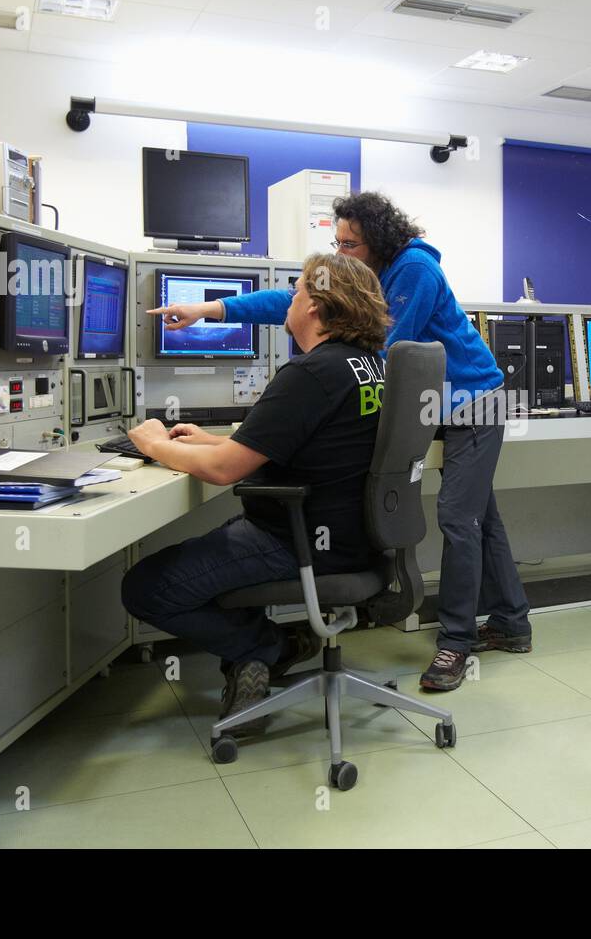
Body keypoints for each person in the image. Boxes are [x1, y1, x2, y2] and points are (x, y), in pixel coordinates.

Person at [151, 192, 532, 691]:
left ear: (378, 239)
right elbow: (294, 302)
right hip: (435, 404)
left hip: (476, 401)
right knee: (482, 519)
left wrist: (322, 384)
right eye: (338, 242)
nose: (342, 252)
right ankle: (512, 623)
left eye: (350, 244)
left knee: (462, 519)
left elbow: (382, 345)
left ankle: (455, 644)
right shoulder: (365, 274)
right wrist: (210, 308)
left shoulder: (414, 268)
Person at [122, 252, 390, 728]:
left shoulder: (310, 373)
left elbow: (225, 472)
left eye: (299, 289)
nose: (291, 298)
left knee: (146, 587)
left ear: (314, 306)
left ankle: (268, 646)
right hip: (349, 538)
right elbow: (303, 444)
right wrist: (212, 441)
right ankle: (255, 653)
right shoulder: (367, 365)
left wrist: (153, 443)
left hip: (295, 540)